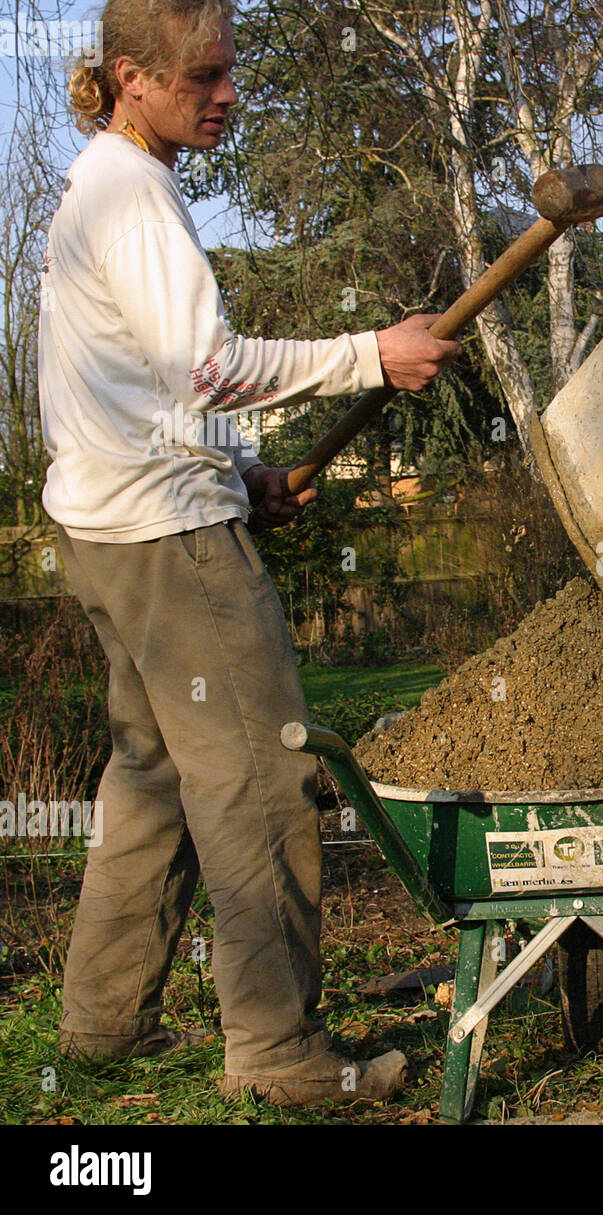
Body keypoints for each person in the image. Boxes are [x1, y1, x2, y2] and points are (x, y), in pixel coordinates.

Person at [40, 0, 460, 1104]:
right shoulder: (133, 196)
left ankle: (99, 1024)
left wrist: (241, 472)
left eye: (231, 73)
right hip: (173, 553)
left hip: (109, 532)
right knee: (268, 783)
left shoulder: (100, 181)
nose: (228, 95)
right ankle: (276, 1053)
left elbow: (140, 384)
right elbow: (208, 367)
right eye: (204, 78)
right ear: (132, 76)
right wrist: (373, 352)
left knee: (156, 778)